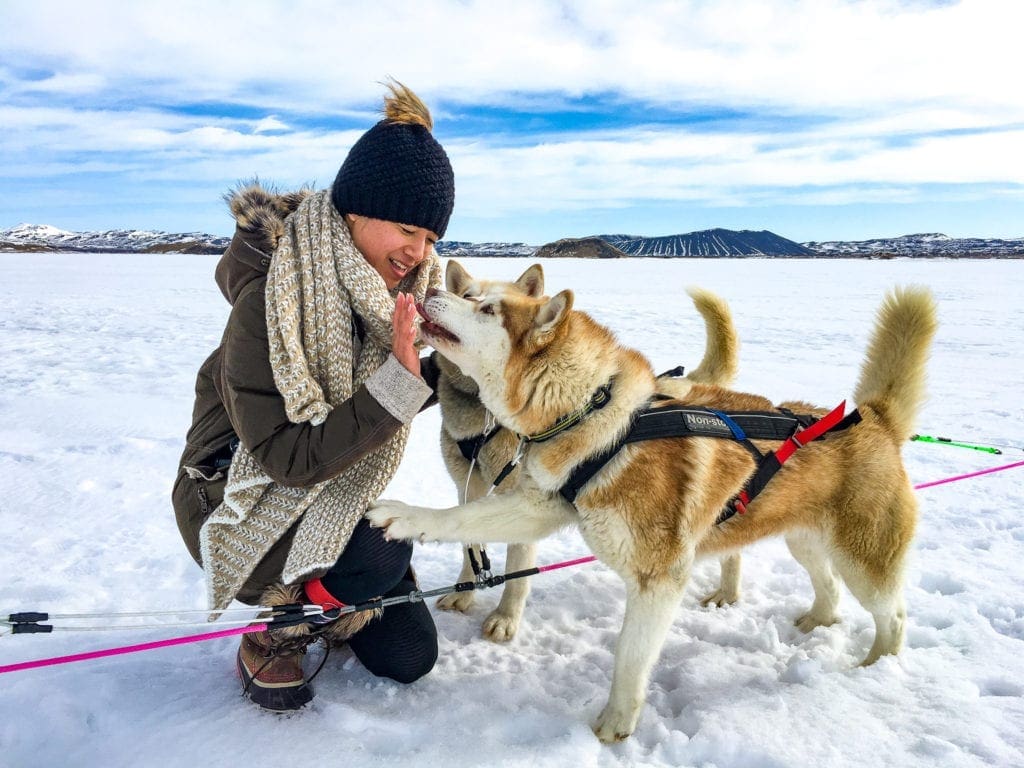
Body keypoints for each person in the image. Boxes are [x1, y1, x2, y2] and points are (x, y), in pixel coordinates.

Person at [171, 80, 454, 711]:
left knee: (411, 660)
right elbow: (286, 459)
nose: (419, 251)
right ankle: (283, 629)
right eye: (407, 227)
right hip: (231, 493)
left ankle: (339, 586)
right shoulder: (272, 295)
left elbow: (404, 386)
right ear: (355, 212)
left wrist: (475, 369)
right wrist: (401, 384)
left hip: (334, 482)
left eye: (432, 237)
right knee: (384, 545)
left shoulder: (385, 298)